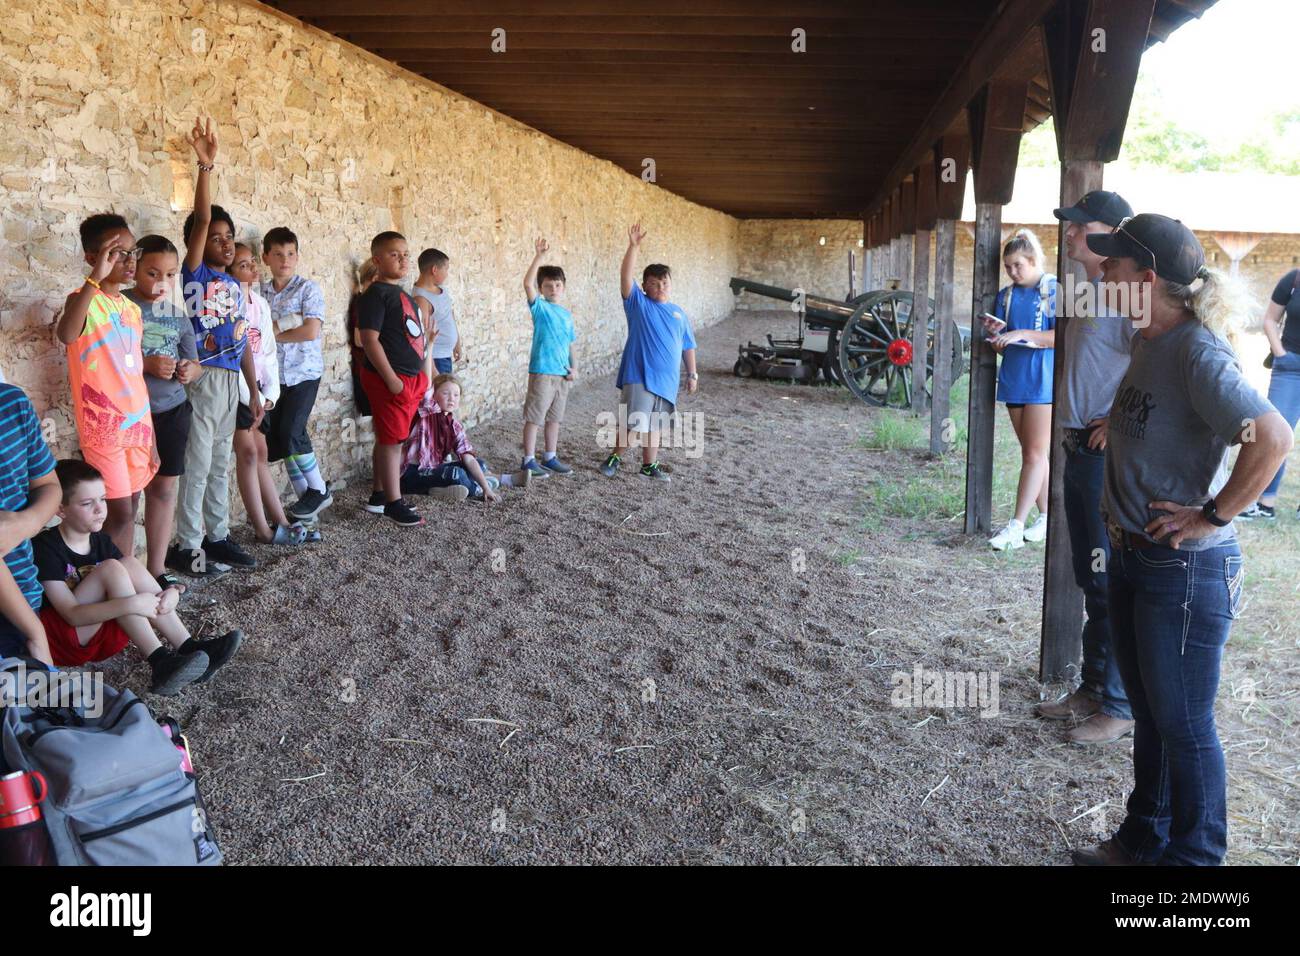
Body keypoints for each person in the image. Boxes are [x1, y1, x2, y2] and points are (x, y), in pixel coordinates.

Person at [1072, 214, 1292, 866]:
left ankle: (1195, 866)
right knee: (1154, 715)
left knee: (1186, 725)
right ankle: (1144, 840)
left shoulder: (1197, 351)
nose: (1101, 271)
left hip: (1185, 569)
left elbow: (1272, 437)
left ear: (1145, 279)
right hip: (1139, 555)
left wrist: (1213, 516)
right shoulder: (1150, 339)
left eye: (1113, 264)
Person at [1038, 191, 1136, 747]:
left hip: (1103, 453)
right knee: (1090, 576)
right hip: (1079, 447)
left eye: (1079, 227)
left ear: (1108, 231)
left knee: (1106, 577)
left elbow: (1152, 356)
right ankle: (1094, 687)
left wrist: (1117, 415)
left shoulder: (1127, 295)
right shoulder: (1086, 290)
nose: (1070, 235)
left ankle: (1119, 704)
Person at [33, 460, 245, 695]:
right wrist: (133, 603)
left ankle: (186, 645)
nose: (100, 509)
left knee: (129, 563)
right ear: (60, 509)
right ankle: (159, 661)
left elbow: (130, 579)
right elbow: (71, 615)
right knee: (112, 568)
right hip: (64, 640)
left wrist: (169, 594)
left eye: (102, 499)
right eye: (87, 503)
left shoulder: (101, 542)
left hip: (104, 635)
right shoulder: (45, 547)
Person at [168, 116, 259, 576]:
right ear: (198, 245)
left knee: (220, 463)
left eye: (229, 238)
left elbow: (242, 342)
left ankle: (217, 537)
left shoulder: (233, 286)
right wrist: (205, 168)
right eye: (215, 238)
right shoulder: (195, 276)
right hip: (202, 380)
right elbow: (202, 217)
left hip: (229, 383)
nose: (224, 243)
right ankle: (187, 545)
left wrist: (254, 390)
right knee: (198, 464)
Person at [55, 213, 157, 559]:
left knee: (131, 504)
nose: (129, 261)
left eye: (132, 252)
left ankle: (126, 580)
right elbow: (67, 334)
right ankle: (114, 582)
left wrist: (151, 435)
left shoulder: (132, 309)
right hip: (104, 429)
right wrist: (92, 281)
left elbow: (136, 374)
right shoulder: (81, 300)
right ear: (92, 259)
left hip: (138, 425)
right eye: (117, 253)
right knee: (118, 513)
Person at [125, 234, 201, 592]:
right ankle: (125, 572)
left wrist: (189, 370)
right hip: (131, 415)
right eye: (153, 273)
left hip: (171, 411)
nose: (162, 283)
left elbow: (196, 364)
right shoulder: (120, 308)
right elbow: (109, 362)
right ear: (135, 269)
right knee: (127, 498)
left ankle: (156, 569)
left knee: (165, 489)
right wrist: (146, 364)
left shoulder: (179, 317)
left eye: (170, 275)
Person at [599, 223, 698, 482]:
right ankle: (614, 457)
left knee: (655, 424)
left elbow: (688, 345)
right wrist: (633, 246)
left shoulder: (679, 313)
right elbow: (625, 276)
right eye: (654, 284)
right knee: (633, 420)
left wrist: (693, 374)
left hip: (667, 380)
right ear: (644, 287)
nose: (660, 287)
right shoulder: (638, 305)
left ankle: (648, 465)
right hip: (639, 374)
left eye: (664, 282)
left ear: (670, 284)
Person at [984, 228, 1056, 550]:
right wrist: (999, 336)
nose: (1013, 272)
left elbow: (1063, 337)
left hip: (1042, 380)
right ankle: (1046, 517)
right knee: (1032, 454)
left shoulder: (1053, 289)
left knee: (1034, 453)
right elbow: (1002, 347)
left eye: (1018, 265)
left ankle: (1015, 526)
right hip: (1013, 378)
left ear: (1033, 260)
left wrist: (1021, 333)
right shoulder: (1005, 296)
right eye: (1008, 267)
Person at [355, 231, 431, 526]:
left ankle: (379, 494)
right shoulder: (375, 294)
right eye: (393, 254)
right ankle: (393, 503)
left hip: (409, 380)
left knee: (389, 437)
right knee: (392, 442)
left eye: (405, 254)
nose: (402, 260)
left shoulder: (402, 294)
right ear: (377, 260)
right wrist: (391, 380)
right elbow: (369, 340)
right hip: (391, 380)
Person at [259, 226, 333, 524]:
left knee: (292, 430)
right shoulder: (259, 292)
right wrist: (286, 323)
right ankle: (308, 509)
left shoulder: (307, 289)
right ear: (266, 257)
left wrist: (274, 333)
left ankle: (318, 490)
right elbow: (257, 331)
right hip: (274, 378)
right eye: (277, 254)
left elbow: (310, 330)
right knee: (279, 438)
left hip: (304, 373)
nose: (284, 260)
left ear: (298, 257)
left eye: (290, 254)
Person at [230, 243, 302, 546]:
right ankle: (261, 528)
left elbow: (268, 351)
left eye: (251, 264)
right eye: (243, 265)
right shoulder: (228, 304)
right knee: (247, 454)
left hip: (260, 391)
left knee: (260, 453)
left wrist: (269, 393)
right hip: (241, 392)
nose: (252, 269)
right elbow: (234, 355)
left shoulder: (259, 302)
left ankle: (281, 520)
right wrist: (252, 398)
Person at [0, 383, 60, 666]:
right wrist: (35, 633)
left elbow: (49, 486)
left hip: (22, 596)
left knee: (39, 706)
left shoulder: (11, 402)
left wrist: (28, 521)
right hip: (21, 618)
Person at [401, 374, 530, 502]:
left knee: (479, 464)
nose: (451, 398)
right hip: (410, 473)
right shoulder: (427, 412)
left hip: (433, 470)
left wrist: (487, 489)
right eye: (446, 393)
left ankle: (441, 489)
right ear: (434, 395)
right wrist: (428, 352)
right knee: (456, 474)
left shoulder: (455, 427)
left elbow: (469, 459)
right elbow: (427, 382)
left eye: (456, 395)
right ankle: (476, 487)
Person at [1240, 266, 1300, 519]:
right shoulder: (1294, 279)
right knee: (1275, 433)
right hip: (1290, 367)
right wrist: (1281, 355)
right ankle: (1265, 503)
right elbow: (1270, 320)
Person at [521, 237, 576, 478]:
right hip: (543, 370)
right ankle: (528, 459)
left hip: (562, 373)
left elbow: (570, 344)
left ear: (563, 286)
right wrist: (539, 257)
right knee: (535, 417)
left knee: (555, 418)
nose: (553, 289)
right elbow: (526, 283)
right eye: (548, 286)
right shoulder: (540, 308)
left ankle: (550, 456)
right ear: (541, 288)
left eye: (557, 285)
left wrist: (575, 368)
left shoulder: (566, 314)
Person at [412, 248, 459, 375]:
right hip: (436, 358)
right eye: (446, 269)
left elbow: (449, 316)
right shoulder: (421, 299)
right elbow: (423, 338)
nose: (447, 273)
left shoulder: (441, 289)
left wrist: (457, 343)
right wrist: (432, 369)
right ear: (434, 270)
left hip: (445, 354)